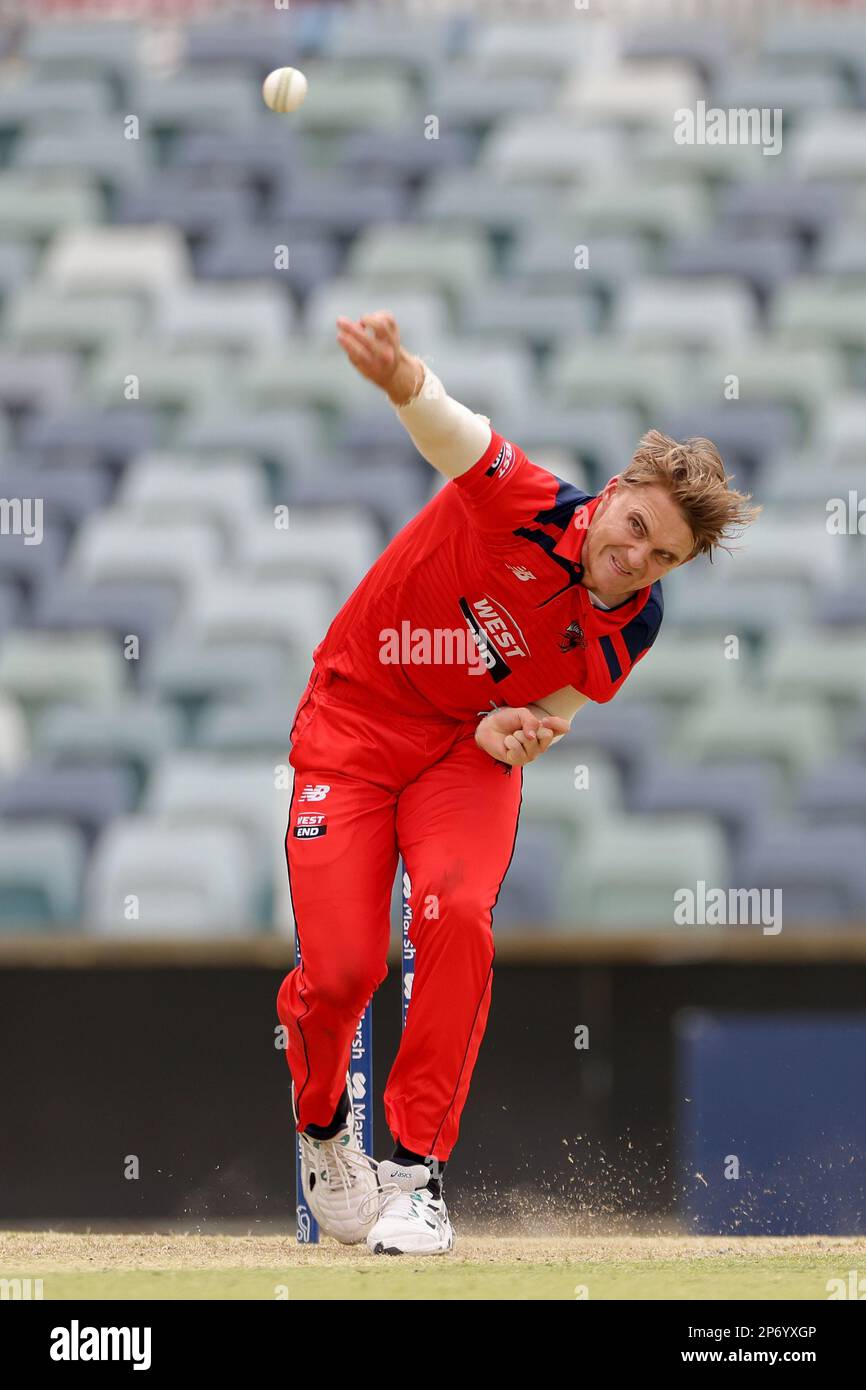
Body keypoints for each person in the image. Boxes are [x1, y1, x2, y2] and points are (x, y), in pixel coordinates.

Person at [276, 310, 759, 1256]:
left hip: (466, 749)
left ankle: (416, 1176)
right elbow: (452, 429)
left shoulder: (636, 620)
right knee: (343, 972)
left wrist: (522, 728)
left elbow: (557, 706)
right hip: (354, 719)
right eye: (635, 530)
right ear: (615, 493)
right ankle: (328, 1135)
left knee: (458, 912)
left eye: (665, 558)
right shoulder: (529, 502)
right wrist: (405, 378)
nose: (637, 561)